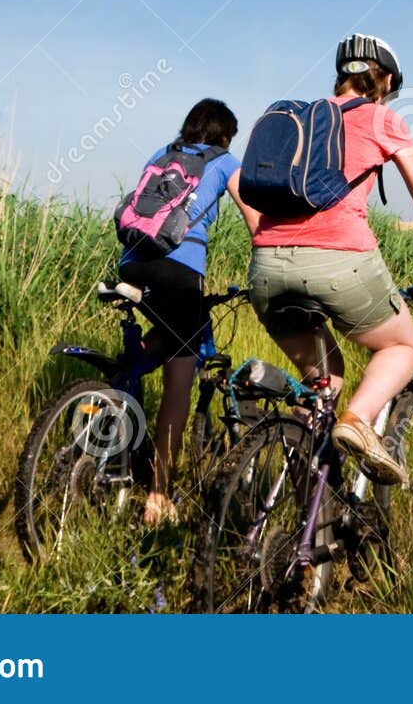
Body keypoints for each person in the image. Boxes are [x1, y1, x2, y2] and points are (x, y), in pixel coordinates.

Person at [247, 35, 413, 485]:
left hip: (267, 267)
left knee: (324, 381)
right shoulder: (382, 119)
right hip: (340, 261)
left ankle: (306, 499)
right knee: (400, 346)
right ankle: (357, 422)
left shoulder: (300, 117)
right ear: (385, 79)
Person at [118, 98, 260, 525]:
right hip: (179, 270)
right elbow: (255, 222)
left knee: (165, 335)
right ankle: (158, 497)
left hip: (132, 260)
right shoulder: (225, 160)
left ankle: (121, 383)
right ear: (224, 135)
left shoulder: (162, 154)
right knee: (181, 373)